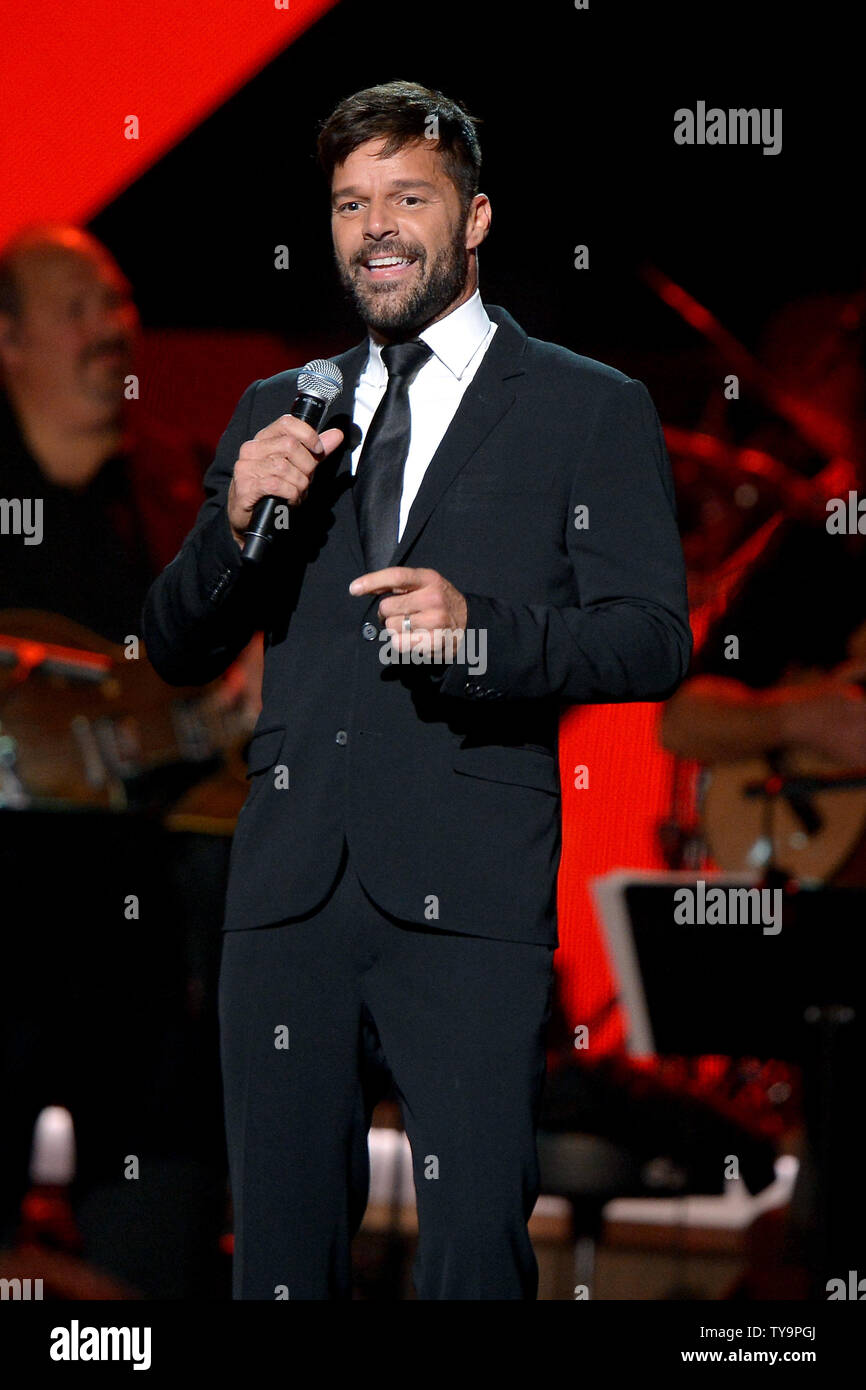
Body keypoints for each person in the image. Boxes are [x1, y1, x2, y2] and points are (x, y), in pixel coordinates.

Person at [142, 80, 692, 1301]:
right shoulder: (279, 408)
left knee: (472, 1259)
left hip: (467, 907)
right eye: (348, 203)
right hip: (285, 902)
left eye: (406, 196)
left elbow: (652, 638)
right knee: (277, 1260)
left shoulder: (583, 406)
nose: (374, 227)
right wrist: (234, 526)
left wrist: (479, 632)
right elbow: (170, 643)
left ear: (476, 216)